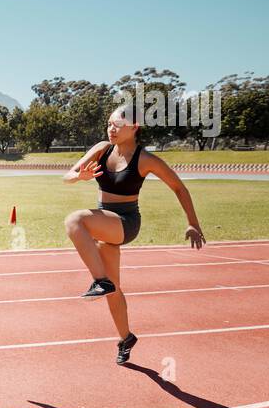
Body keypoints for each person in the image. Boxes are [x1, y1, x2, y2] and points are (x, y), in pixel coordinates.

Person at [63, 103, 206, 364]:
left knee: (74, 221)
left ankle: (99, 280)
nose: (111, 129)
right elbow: (67, 175)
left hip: (126, 223)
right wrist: (78, 178)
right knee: (114, 290)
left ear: (135, 127)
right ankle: (126, 337)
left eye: (117, 125)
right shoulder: (101, 149)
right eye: (109, 124)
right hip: (104, 221)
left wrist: (193, 223)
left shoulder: (146, 159)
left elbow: (179, 188)